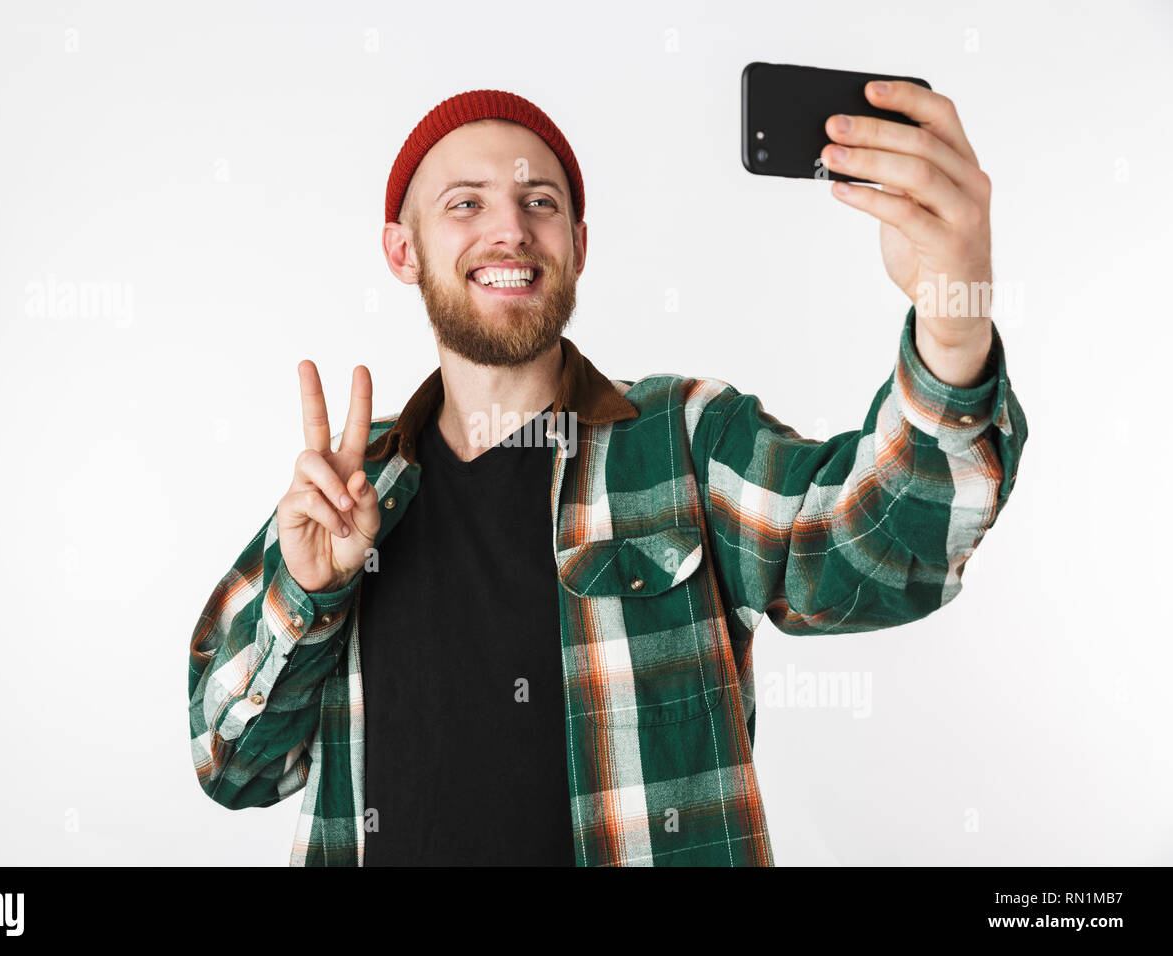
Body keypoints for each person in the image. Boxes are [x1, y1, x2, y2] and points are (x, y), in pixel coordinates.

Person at [188, 87, 1028, 866]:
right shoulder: (343, 491)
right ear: (403, 251)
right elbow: (232, 768)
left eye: (540, 203)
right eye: (466, 203)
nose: (509, 229)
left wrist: (953, 329)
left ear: (579, 247)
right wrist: (307, 599)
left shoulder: (685, 440)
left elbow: (881, 550)